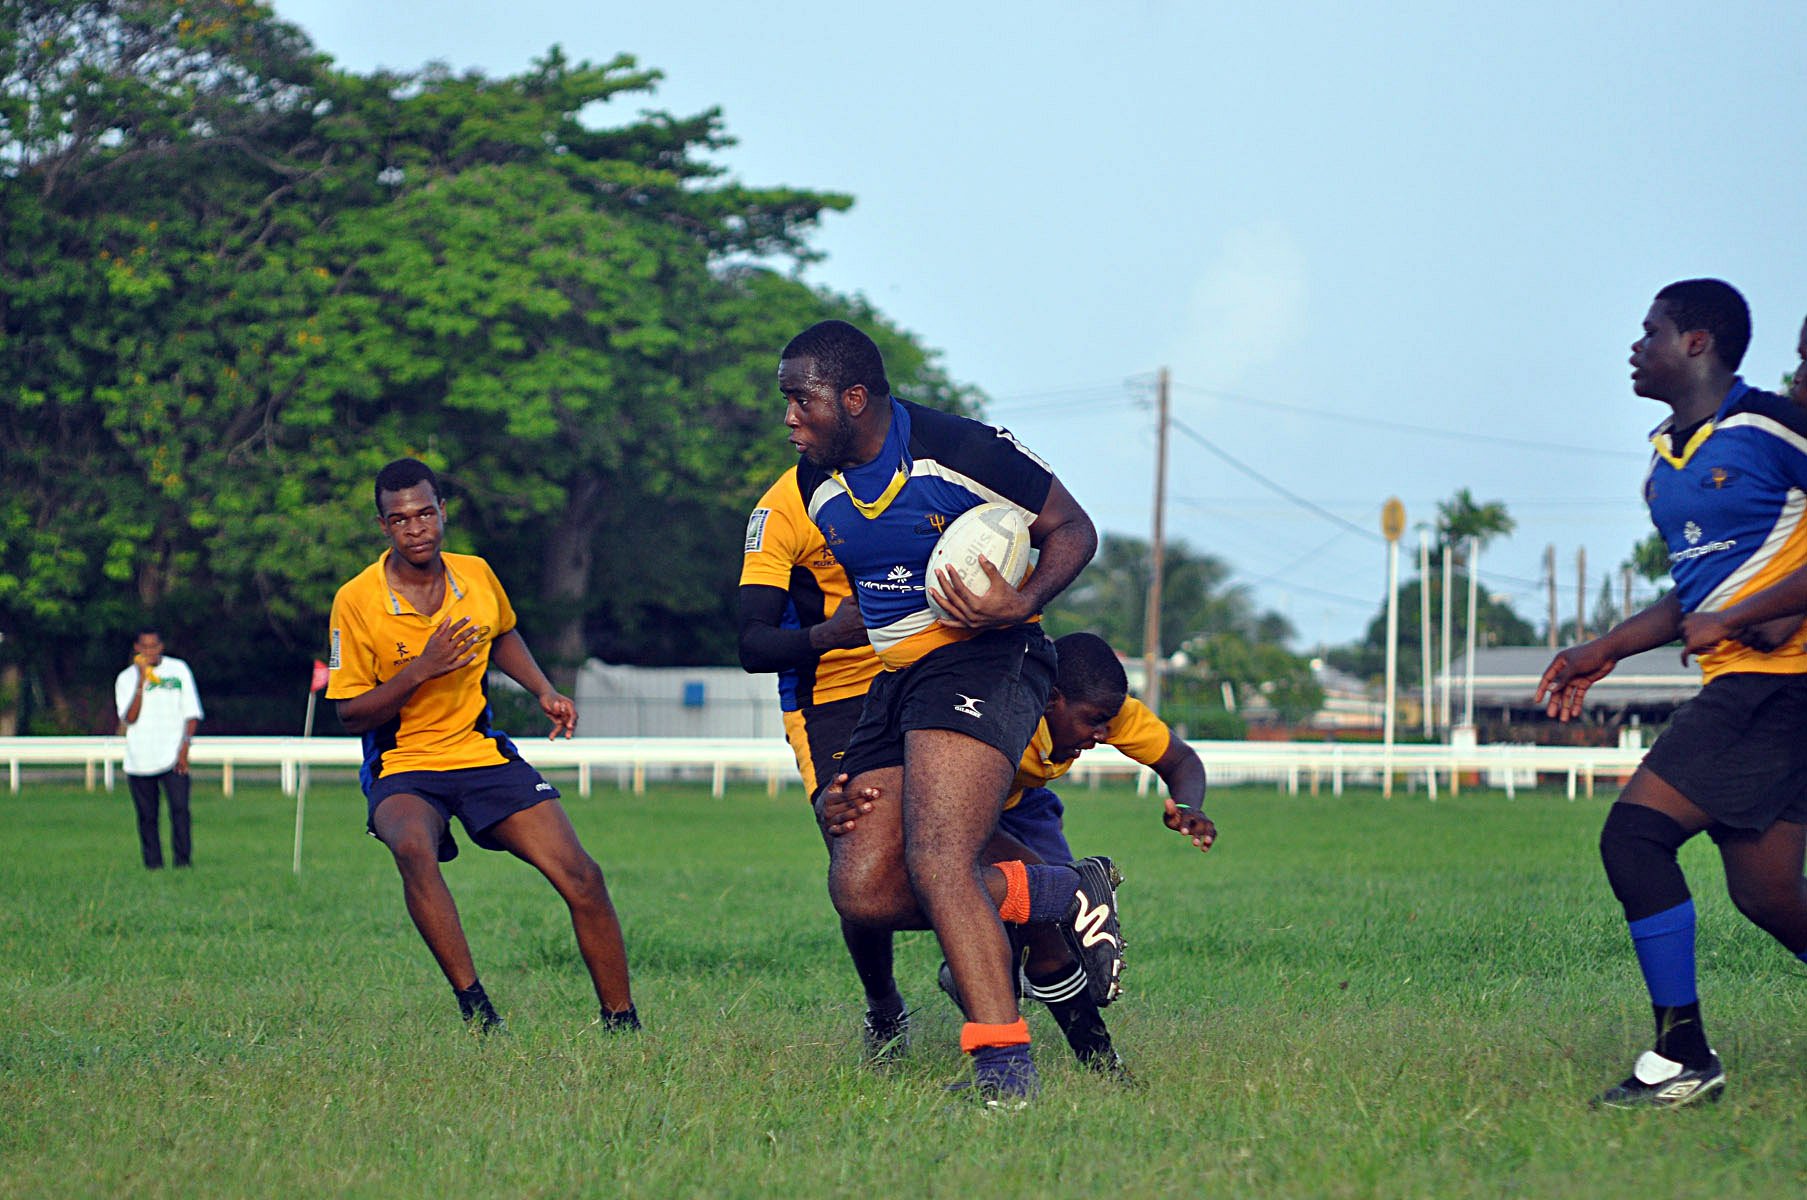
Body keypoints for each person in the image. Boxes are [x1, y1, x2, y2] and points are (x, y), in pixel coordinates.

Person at [779, 319, 1105, 1103]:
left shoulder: (960, 449)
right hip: (894, 680)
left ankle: (1005, 1075)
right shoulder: (811, 485)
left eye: (801, 400)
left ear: (854, 398)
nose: (788, 417)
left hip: (988, 656)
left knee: (940, 862)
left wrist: (1020, 600)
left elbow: (1073, 528)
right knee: (862, 888)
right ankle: (1058, 892)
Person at [1535, 279, 1807, 1109]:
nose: (1634, 346)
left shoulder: (1773, 425)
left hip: (1775, 689)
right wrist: (1604, 649)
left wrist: (1744, 616)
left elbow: (1726, 608)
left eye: (1648, 331)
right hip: (1753, 687)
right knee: (1765, 894)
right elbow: (1695, 596)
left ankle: (1681, 1053)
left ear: (1695, 341)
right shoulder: (1663, 459)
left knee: (1634, 838)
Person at [325, 458, 637, 1034]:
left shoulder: (476, 575)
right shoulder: (356, 599)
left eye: (425, 514)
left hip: (479, 754)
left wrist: (544, 690)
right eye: (400, 520)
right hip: (404, 766)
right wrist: (422, 669)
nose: (416, 529)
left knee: (582, 875)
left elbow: (502, 633)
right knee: (412, 848)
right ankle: (478, 1011)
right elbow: (349, 713)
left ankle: (623, 1023)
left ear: (443, 512)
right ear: (383, 526)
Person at [826, 631, 1217, 1071]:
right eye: (1092, 722)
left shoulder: (1104, 705)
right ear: (1051, 700)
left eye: (1107, 722)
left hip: (1022, 805)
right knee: (893, 893)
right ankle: (1019, 960)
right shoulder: (1001, 698)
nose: (1102, 734)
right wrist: (835, 800)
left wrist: (1188, 807)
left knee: (1055, 935)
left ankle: (1101, 1063)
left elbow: (1180, 760)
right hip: (954, 806)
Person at [737, 463, 909, 1060]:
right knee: (859, 856)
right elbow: (752, 644)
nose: (793, 421)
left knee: (966, 829)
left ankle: (986, 974)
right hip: (832, 700)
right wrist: (830, 635)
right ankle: (883, 1005)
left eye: (805, 412)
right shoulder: (781, 508)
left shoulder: (920, 469)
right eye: (791, 412)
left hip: (925, 672)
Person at [114, 629, 203, 869]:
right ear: (137, 648)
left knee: (180, 810)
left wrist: (184, 747)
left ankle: (183, 862)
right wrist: (141, 682)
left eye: (153, 646)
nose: (149, 652)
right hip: (140, 758)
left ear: (161, 646)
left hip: (173, 754)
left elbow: (191, 712)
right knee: (147, 816)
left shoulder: (178, 670)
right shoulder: (125, 678)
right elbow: (130, 718)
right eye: (144, 647)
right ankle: (153, 864)